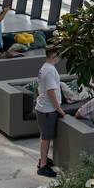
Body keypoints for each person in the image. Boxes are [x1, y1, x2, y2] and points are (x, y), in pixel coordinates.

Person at [35, 46, 64, 178]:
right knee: (46, 138)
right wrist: (59, 109)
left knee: (44, 137)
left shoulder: (44, 67)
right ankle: (43, 166)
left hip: (43, 108)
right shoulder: (50, 70)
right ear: (54, 55)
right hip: (47, 110)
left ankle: (44, 159)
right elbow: (51, 91)